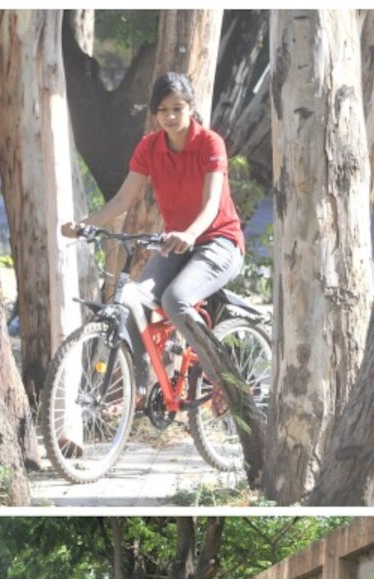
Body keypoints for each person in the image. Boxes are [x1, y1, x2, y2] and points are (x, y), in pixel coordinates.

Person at [62, 72, 245, 403]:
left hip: (219, 242)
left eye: (177, 108)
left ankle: (223, 380)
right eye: (163, 110)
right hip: (176, 244)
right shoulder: (150, 147)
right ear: (154, 113)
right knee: (134, 298)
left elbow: (211, 205)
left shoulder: (209, 143)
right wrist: (83, 224)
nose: (170, 117)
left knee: (176, 299)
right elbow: (122, 201)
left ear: (190, 107)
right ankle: (142, 388)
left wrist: (191, 233)